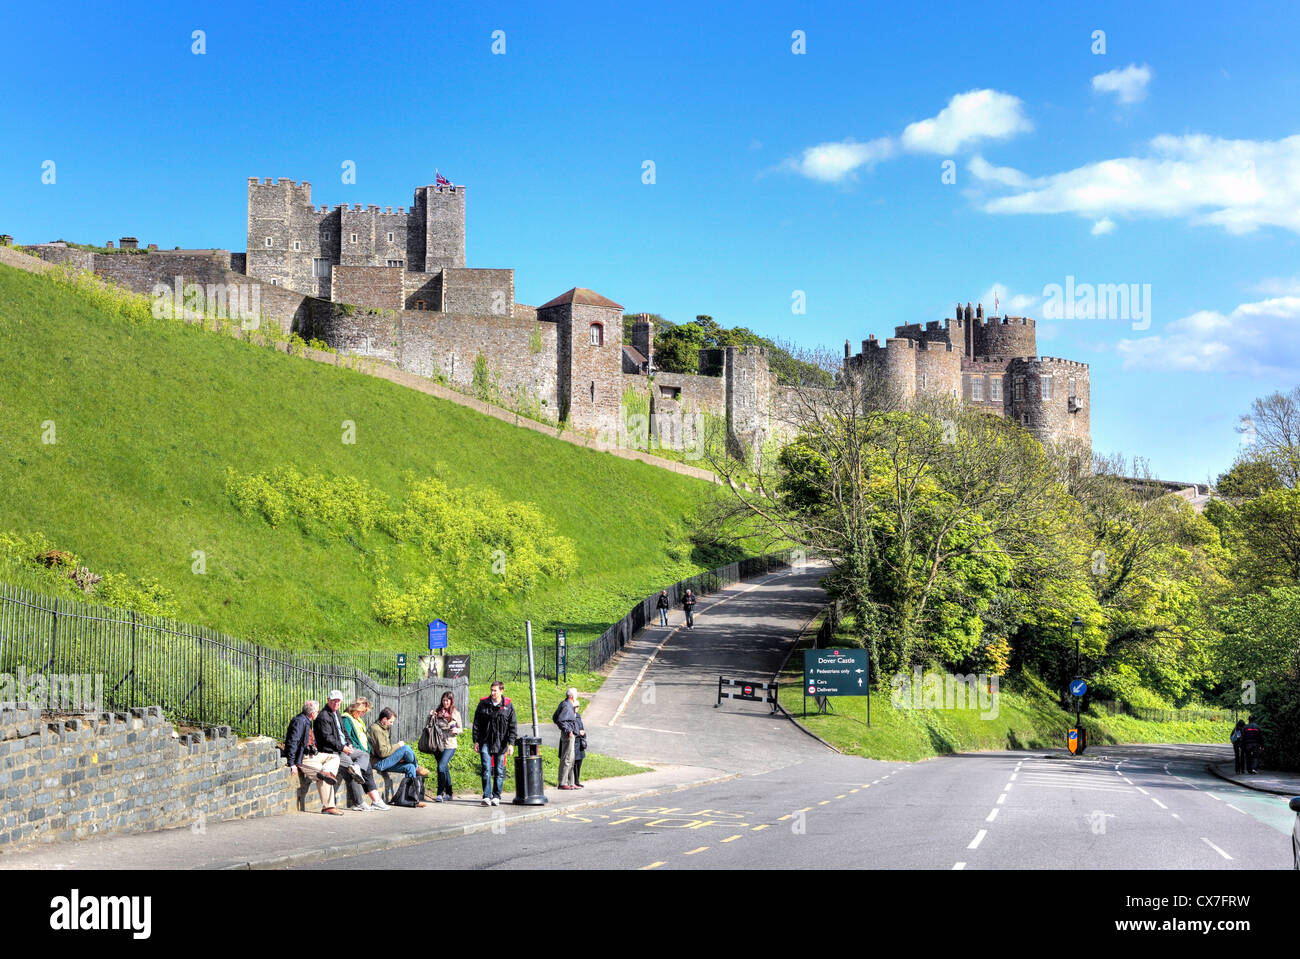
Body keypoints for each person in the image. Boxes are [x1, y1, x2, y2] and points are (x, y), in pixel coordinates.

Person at [316, 689, 380, 811]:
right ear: (328, 700)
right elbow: (327, 738)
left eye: (338, 701)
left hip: (344, 748)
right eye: (333, 701)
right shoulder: (324, 716)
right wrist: (343, 747)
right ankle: (359, 802)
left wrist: (349, 744)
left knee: (364, 755)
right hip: (333, 751)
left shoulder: (337, 713)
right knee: (352, 773)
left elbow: (344, 732)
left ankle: (356, 768)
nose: (336, 704)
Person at [283, 700, 344, 816]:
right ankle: (329, 807)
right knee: (324, 777)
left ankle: (326, 771)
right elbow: (292, 742)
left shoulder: (306, 720)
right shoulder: (300, 721)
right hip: (304, 758)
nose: (318, 712)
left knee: (334, 758)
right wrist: (291, 763)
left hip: (313, 755)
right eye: (317, 711)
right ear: (312, 713)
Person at [369, 707, 429, 807]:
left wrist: (396, 755)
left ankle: (410, 799)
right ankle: (417, 766)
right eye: (391, 722)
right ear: (384, 719)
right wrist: (398, 746)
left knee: (410, 767)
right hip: (379, 763)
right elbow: (383, 753)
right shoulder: (376, 729)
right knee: (405, 748)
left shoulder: (384, 728)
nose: (392, 724)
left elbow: (386, 750)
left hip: (385, 760)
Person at [472, 681, 518, 806]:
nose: (492, 693)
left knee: (499, 770)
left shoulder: (508, 706)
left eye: (495, 690)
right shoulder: (483, 704)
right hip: (485, 741)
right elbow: (476, 724)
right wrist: (476, 740)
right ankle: (486, 796)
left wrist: (511, 744)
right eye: (491, 690)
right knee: (486, 769)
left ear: (501, 691)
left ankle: (496, 796)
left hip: (501, 742)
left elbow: (512, 726)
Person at [341, 697, 390, 810]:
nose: (362, 714)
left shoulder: (358, 719)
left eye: (364, 712)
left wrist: (367, 749)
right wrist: (359, 750)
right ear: (355, 709)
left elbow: (363, 736)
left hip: (362, 753)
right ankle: (376, 801)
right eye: (361, 711)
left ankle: (374, 801)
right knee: (366, 771)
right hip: (354, 752)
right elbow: (348, 738)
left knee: (364, 771)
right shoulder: (347, 719)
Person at [428, 691, 463, 803]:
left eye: (447, 700)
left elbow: (461, 729)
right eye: (443, 700)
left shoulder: (455, 713)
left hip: (450, 744)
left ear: (451, 701)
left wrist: (456, 730)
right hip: (438, 744)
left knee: (441, 766)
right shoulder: (437, 712)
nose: (445, 702)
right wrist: (430, 716)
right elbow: (429, 725)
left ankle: (439, 793)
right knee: (444, 768)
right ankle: (450, 793)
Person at [553, 687, 581, 789]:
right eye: (576, 694)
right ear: (573, 696)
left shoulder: (566, 704)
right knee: (567, 758)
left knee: (571, 759)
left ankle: (571, 782)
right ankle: (563, 782)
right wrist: (568, 730)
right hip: (568, 735)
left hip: (571, 734)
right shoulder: (567, 706)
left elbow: (555, 717)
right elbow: (560, 720)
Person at [573, 704, 588, 788]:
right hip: (574, 742)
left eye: (578, 706)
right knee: (575, 762)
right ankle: (574, 781)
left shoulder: (578, 716)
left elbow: (581, 726)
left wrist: (583, 733)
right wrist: (579, 732)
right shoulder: (571, 716)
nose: (577, 708)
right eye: (575, 706)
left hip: (580, 742)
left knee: (580, 761)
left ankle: (577, 781)